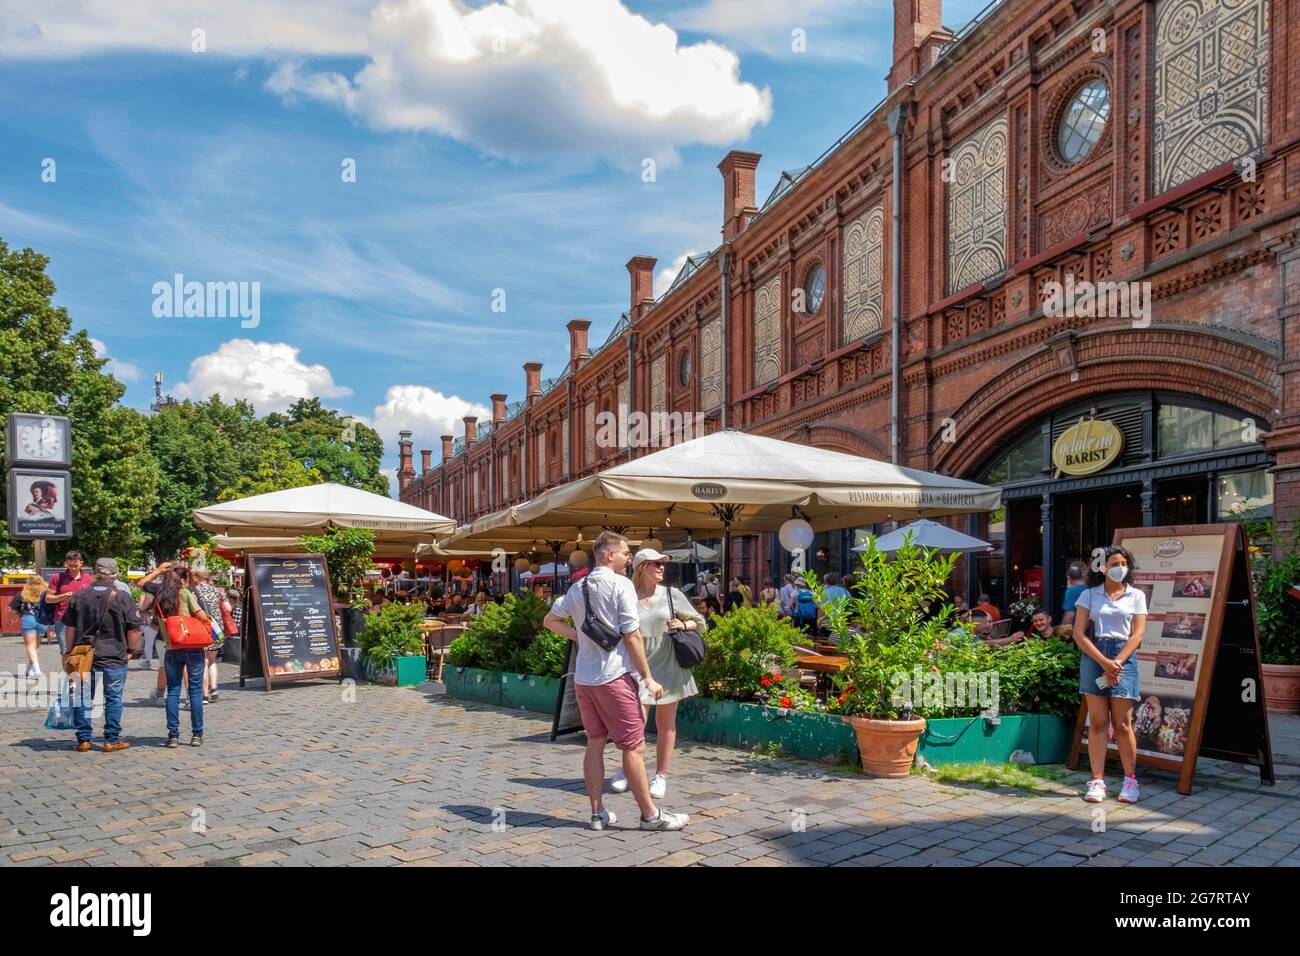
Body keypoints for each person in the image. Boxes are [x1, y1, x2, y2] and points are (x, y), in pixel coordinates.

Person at [543, 531, 689, 832]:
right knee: (634, 746)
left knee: (595, 743)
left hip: (584, 679)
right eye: (625, 553)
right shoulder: (620, 584)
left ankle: (598, 814)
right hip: (614, 678)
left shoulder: (577, 586)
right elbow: (632, 636)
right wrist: (648, 677)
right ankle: (650, 816)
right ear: (610, 555)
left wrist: (578, 637)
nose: (628, 559)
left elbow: (550, 620)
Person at [607, 549, 707, 800]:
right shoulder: (627, 595)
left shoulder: (672, 595)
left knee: (666, 725)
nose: (662, 567)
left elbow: (700, 622)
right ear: (641, 567)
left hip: (668, 661)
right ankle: (626, 770)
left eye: (663, 563)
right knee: (635, 724)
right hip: (637, 664)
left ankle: (660, 775)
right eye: (656, 564)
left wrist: (683, 624)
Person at [1073, 545, 1147, 805]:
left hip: (1123, 656)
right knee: (1099, 722)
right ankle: (1097, 779)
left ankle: (1130, 779)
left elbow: (1137, 634)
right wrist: (1104, 662)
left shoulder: (1136, 595)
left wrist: (1116, 662)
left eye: (1124, 563)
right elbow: (1079, 634)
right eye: (1115, 563)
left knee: (1123, 723)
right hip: (1095, 657)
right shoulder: (1089, 595)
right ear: (1102, 567)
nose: (1121, 568)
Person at [63, 558, 141, 752]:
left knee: (83, 697)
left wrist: (69, 651)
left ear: (95, 573)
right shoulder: (122, 596)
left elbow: (70, 628)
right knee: (113, 698)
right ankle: (111, 740)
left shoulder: (80, 595)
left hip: (83, 656)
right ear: (115, 575)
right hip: (114, 655)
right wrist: (132, 650)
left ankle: (83, 739)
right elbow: (133, 629)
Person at [152, 567, 209, 747]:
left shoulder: (159, 598)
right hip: (192, 646)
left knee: (173, 691)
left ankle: (173, 736)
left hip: (172, 647)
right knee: (194, 691)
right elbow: (200, 614)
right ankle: (196, 735)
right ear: (182, 580)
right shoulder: (185, 593)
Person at [190, 567, 232, 703]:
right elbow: (228, 608)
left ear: (196, 576)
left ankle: (205, 694)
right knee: (212, 661)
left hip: (202, 627)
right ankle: (214, 689)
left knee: (203, 660)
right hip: (217, 628)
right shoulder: (218, 591)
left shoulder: (193, 590)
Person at [45, 551, 94, 654]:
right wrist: (62, 596)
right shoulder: (57, 578)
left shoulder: (88, 579)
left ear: (81, 563)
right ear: (66, 563)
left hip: (82, 620)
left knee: (82, 650)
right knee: (66, 651)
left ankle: (81, 670)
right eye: (70, 565)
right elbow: (48, 599)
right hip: (62, 619)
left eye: (76, 565)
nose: (73, 568)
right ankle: (69, 670)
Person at [8, 574, 47, 679]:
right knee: (36, 646)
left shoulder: (21, 594)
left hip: (28, 619)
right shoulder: (45, 594)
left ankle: (37, 669)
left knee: (30, 646)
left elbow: (11, 609)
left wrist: (17, 612)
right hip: (42, 620)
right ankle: (30, 670)